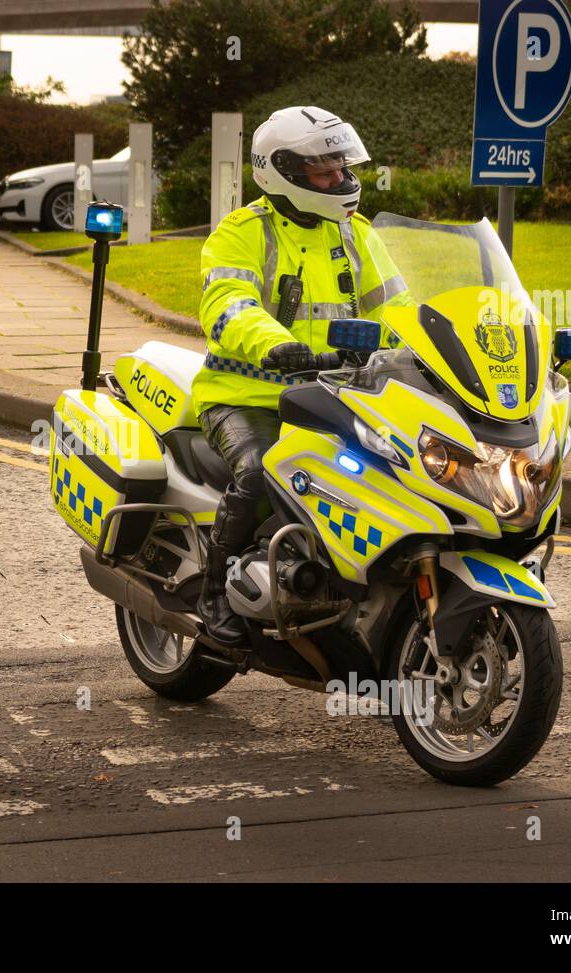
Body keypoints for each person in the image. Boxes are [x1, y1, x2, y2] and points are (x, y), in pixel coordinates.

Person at [192, 106, 411, 646]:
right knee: (262, 472)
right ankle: (215, 590)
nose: (339, 178)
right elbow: (227, 305)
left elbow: (401, 310)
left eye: (341, 165)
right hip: (248, 397)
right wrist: (277, 344)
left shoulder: (357, 235)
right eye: (324, 170)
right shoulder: (242, 233)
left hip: (339, 396)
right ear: (282, 171)